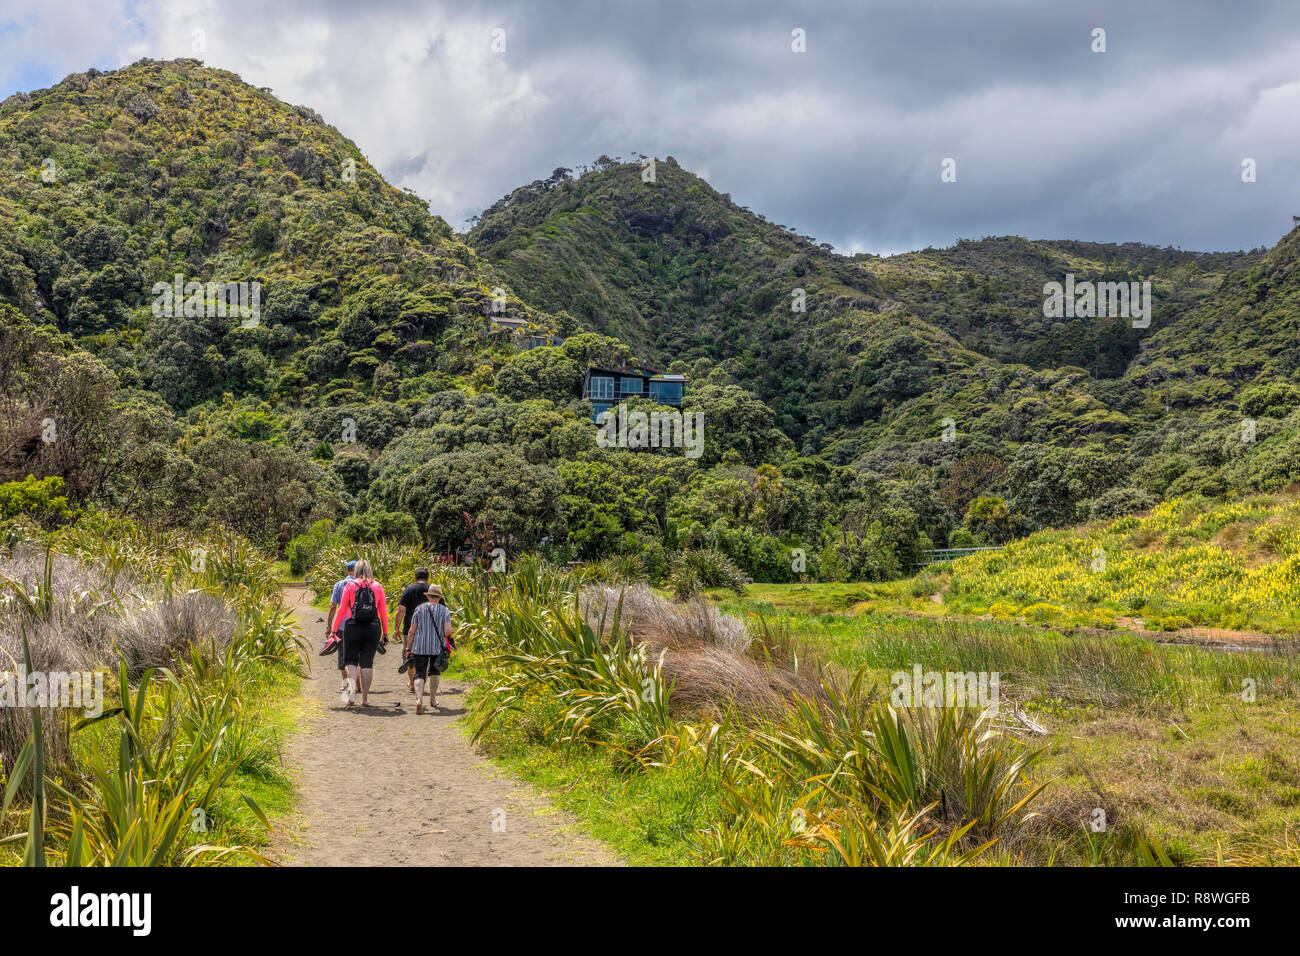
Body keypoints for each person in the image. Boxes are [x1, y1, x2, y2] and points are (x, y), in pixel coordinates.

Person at [332, 559, 389, 707]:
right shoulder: (377, 586)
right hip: (373, 627)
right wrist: (386, 633)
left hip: (353, 626)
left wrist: (334, 630)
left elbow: (342, 610)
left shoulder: (350, 585)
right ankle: (365, 698)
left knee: (350, 661)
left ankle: (351, 694)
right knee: (367, 663)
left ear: (356, 571)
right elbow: (383, 611)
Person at [405, 584, 452, 715]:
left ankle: (419, 700)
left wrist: (408, 648)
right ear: (439, 597)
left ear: (428, 596)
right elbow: (448, 631)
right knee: (435, 673)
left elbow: (411, 631)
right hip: (437, 647)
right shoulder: (444, 610)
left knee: (419, 673)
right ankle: (433, 699)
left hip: (420, 647)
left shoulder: (419, 609)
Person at [321, 559, 357, 695]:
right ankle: (357, 684)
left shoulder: (339, 584)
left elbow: (332, 607)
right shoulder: (365, 584)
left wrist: (329, 626)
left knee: (343, 655)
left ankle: (346, 683)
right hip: (358, 624)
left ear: (347, 571)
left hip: (341, 625)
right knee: (357, 654)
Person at [394, 568, 431, 696]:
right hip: (428, 628)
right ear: (427, 577)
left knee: (409, 654)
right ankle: (422, 683)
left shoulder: (409, 589)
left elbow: (400, 610)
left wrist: (396, 628)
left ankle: (411, 682)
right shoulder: (433, 590)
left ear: (415, 577)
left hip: (410, 628)